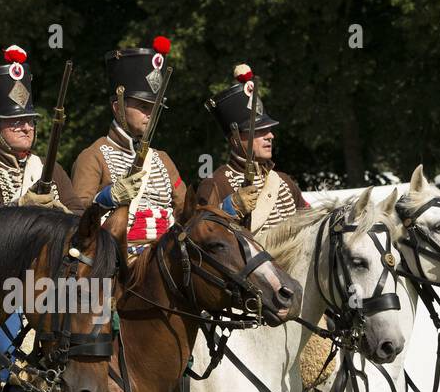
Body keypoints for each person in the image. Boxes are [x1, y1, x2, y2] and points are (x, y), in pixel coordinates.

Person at [69, 36, 185, 253]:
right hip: (115, 260)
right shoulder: (93, 155)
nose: (150, 115)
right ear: (118, 107)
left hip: (165, 261)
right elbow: (76, 219)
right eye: (143, 106)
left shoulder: (163, 159)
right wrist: (105, 199)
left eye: (154, 108)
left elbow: (186, 212)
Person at [0, 45, 76, 214]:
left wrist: (63, 215)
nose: (27, 128)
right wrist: (20, 205)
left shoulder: (50, 167)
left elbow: (79, 213)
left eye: (30, 120)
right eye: (15, 122)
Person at [197, 64, 309, 237]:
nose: (270, 135)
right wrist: (229, 208)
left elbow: (311, 227)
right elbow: (201, 236)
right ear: (235, 138)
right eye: (258, 131)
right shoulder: (215, 184)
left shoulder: (284, 181)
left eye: (269, 129)